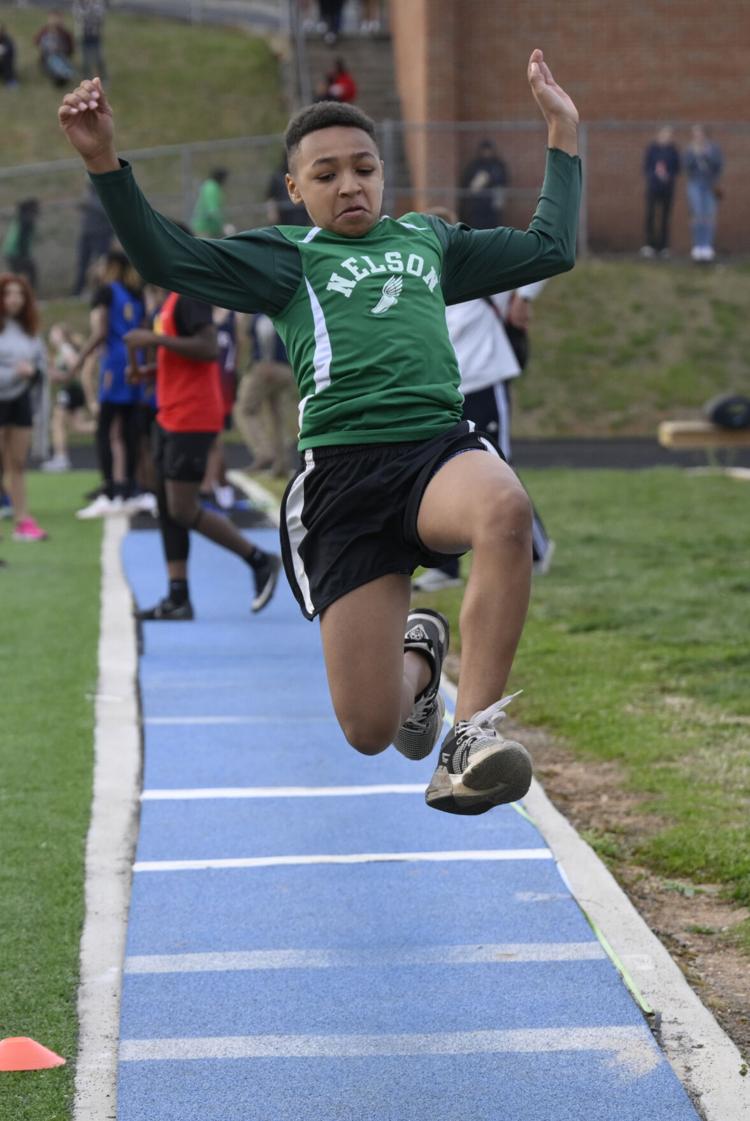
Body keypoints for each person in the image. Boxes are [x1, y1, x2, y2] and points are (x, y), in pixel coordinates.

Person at [59, 48, 580, 815]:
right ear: (296, 188)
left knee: (504, 509)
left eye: (364, 168)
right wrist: (105, 161)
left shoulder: (426, 244)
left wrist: (563, 134)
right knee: (368, 727)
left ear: (383, 176)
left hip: (435, 449)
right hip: (341, 480)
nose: (350, 185)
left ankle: (470, 733)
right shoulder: (286, 258)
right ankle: (420, 662)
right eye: (327, 173)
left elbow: (550, 248)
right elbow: (166, 256)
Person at [120, 286, 281, 619]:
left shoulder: (189, 294)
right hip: (169, 413)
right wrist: (150, 371)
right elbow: (183, 359)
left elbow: (207, 349)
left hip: (191, 417)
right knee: (167, 507)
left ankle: (260, 559)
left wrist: (155, 341)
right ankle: (178, 596)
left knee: (182, 507)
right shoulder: (169, 302)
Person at [411, 251, 553, 591]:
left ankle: (535, 550)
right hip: (442, 392)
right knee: (436, 473)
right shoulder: (416, 282)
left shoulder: (480, 274)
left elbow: (543, 258)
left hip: (486, 385)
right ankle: (444, 567)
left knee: (499, 468)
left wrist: (523, 298)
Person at [71, 250, 144, 518]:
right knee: (127, 431)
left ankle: (109, 491)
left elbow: (100, 332)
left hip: (114, 364)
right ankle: (128, 490)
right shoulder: (135, 293)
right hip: (134, 363)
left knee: (105, 429)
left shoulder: (107, 292)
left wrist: (79, 362)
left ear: (110, 265)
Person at [0, 273, 49, 541]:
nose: (14, 299)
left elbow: (41, 367)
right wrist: (12, 375)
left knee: (18, 463)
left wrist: (32, 373)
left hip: (20, 402)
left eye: (19, 294)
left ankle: (22, 521)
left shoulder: (30, 331)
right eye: (9, 293)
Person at [234, 313, 297, 477]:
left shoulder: (263, 310)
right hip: (286, 368)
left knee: (244, 410)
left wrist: (266, 360)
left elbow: (265, 329)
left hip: (266, 366)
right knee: (277, 417)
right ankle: (282, 465)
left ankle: (264, 451)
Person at [41, 321, 95, 472]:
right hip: (72, 389)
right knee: (77, 426)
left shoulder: (65, 348)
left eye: (54, 332)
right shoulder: (60, 350)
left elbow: (74, 367)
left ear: (61, 335)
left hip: (71, 389)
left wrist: (58, 375)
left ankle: (61, 458)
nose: (51, 335)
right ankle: (104, 429)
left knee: (57, 421)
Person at [640, 125, 680, 259]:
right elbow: (646, 167)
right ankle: (650, 245)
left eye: (668, 135)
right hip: (653, 187)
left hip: (667, 189)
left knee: (665, 217)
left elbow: (677, 168)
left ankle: (663, 247)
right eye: (663, 135)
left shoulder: (673, 151)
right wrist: (655, 174)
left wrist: (668, 176)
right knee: (650, 215)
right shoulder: (652, 149)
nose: (665, 138)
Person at [685, 124, 723, 262]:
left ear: (704, 134)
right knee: (697, 214)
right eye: (695, 134)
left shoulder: (713, 148)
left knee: (709, 215)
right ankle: (697, 246)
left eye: (699, 133)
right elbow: (687, 167)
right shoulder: (690, 149)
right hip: (695, 184)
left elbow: (718, 166)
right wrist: (695, 155)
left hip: (710, 185)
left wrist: (706, 155)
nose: (697, 136)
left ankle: (707, 246)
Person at [71, 181, 113, 296]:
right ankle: (78, 291)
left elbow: (107, 210)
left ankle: (101, 290)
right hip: (87, 234)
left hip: (101, 234)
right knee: (82, 264)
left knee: (101, 264)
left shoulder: (105, 191)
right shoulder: (89, 193)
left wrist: (89, 203)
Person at [458, 138, 508, 229]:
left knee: (493, 228)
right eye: (484, 150)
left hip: (492, 205)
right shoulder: (475, 165)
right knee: (477, 227)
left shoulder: (497, 165)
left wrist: (490, 178)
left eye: (488, 150)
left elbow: (503, 181)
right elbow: (467, 183)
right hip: (477, 205)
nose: (486, 153)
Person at [2, 198, 40, 290]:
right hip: (16, 254)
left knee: (18, 277)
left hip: (9, 253)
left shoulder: (20, 218)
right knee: (31, 272)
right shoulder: (27, 220)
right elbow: (23, 240)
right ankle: (29, 295)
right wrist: (26, 256)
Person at [34, 9, 75, 87]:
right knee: (54, 60)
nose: (54, 21)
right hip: (48, 57)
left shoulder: (64, 33)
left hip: (62, 56)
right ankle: (62, 75)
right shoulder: (45, 31)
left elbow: (71, 48)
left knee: (61, 61)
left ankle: (64, 75)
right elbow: (36, 41)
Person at [265, 157, 309, 226]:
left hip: (301, 212)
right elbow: (271, 197)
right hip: (284, 214)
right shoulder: (277, 176)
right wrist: (272, 213)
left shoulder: (302, 174)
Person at [72, 0, 106, 81]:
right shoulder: (78, 4)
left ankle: (103, 78)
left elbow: (99, 16)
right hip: (83, 36)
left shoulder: (97, 3)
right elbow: (78, 16)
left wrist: (88, 13)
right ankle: (86, 79)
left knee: (99, 58)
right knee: (85, 60)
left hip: (95, 35)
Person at [191, 168, 229, 239]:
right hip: (205, 228)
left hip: (212, 229)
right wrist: (224, 225)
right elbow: (212, 210)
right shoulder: (211, 187)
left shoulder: (213, 186)